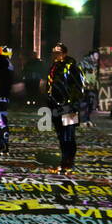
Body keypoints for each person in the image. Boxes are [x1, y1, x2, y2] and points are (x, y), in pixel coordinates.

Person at [45, 43, 83, 173]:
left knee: (69, 136)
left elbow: (78, 87)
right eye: (53, 52)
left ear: (64, 53)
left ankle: (69, 162)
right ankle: (64, 160)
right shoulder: (54, 67)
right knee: (61, 135)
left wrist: (73, 105)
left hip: (69, 107)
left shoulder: (71, 67)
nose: (55, 55)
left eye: (58, 52)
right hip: (55, 107)